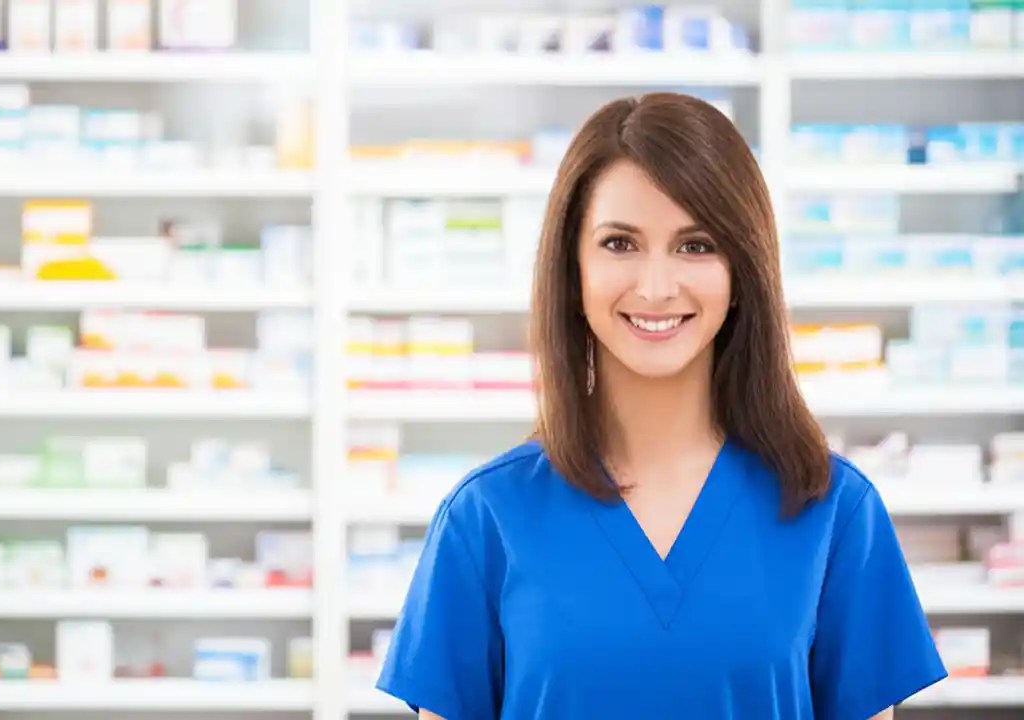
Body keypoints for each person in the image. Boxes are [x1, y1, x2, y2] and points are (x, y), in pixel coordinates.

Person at [375, 93, 947, 719]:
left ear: (742, 271)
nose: (654, 287)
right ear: (574, 270)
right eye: (620, 244)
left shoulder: (834, 513)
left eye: (695, 245)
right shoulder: (485, 519)